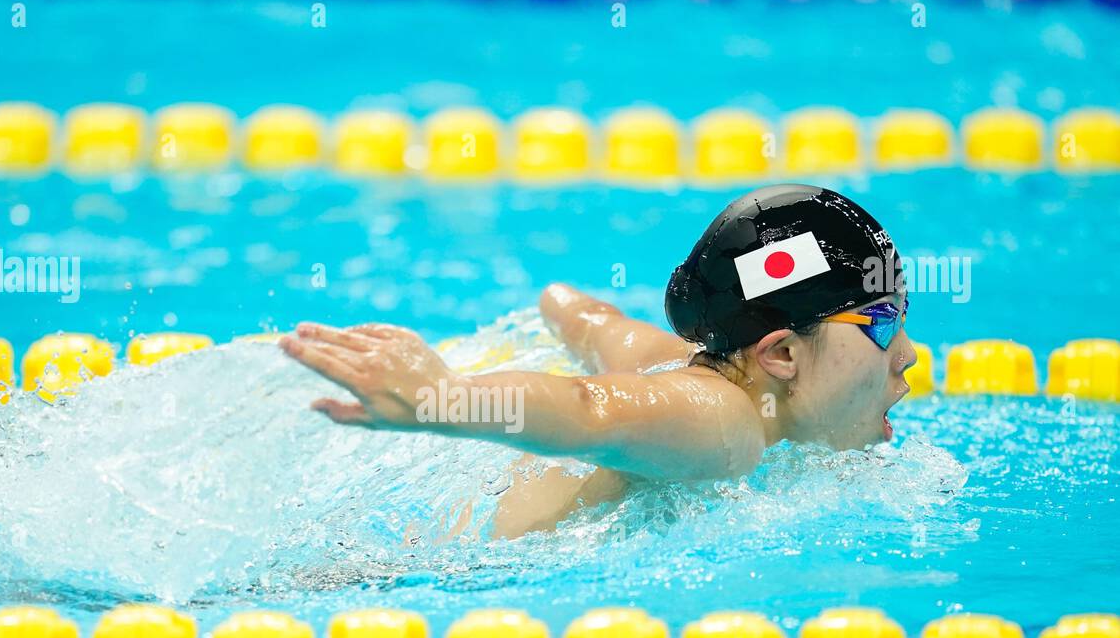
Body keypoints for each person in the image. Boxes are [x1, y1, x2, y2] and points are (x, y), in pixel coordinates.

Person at [280, 184, 918, 538]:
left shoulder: (680, 361)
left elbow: (588, 320)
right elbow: (591, 412)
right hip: (402, 583)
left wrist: (568, 311)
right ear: (780, 353)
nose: (909, 355)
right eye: (882, 322)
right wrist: (436, 399)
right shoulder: (726, 426)